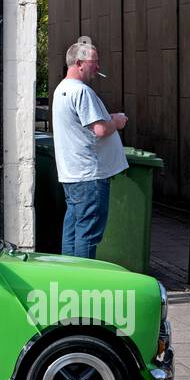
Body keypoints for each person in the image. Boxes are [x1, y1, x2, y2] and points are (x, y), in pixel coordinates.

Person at [51, 40, 128, 259]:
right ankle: (82, 283)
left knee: (74, 229)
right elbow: (100, 129)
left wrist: (107, 119)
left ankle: (68, 276)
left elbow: (86, 125)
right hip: (89, 174)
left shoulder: (62, 90)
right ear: (79, 63)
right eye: (94, 62)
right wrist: (118, 121)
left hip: (73, 173)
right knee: (88, 233)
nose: (98, 67)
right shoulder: (82, 91)